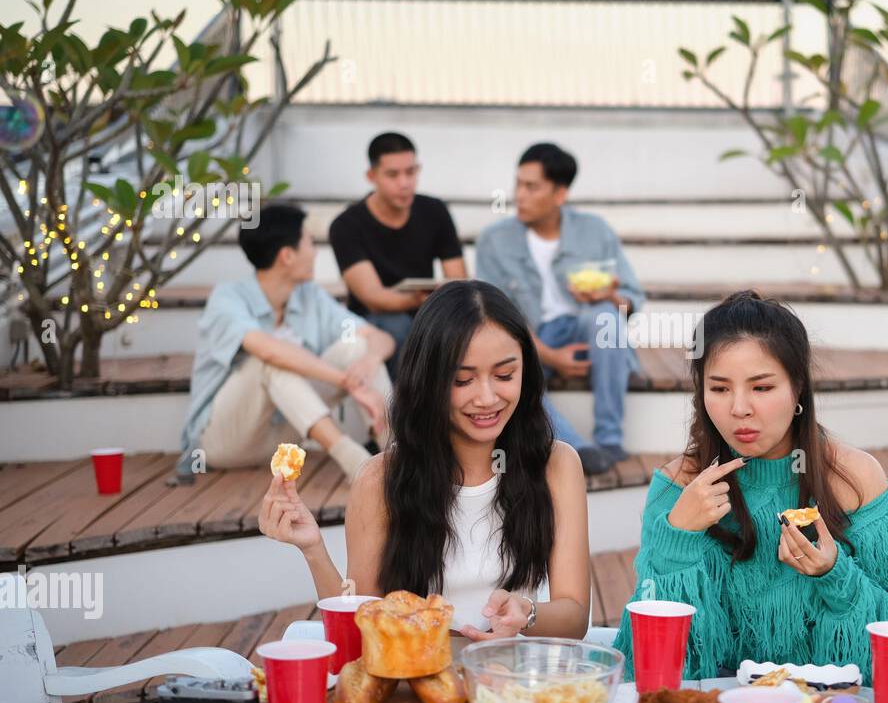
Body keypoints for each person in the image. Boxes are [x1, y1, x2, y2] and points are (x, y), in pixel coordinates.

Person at [610, 290, 888, 681]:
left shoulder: (855, 478)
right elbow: (646, 661)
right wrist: (676, 540)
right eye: (719, 388)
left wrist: (835, 575)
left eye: (761, 388)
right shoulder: (679, 486)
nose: (739, 408)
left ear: (797, 389)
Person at [258, 279, 592, 649]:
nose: (487, 397)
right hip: (415, 685)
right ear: (428, 381)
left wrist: (526, 612)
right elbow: (360, 632)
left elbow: (574, 616)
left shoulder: (557, 464)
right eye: (463, 379)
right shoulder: (380, 479)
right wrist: (313, 549)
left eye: (504, 375)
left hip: (512, 683)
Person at [174, 203, 394, 484]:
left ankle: (397, 458)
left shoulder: (309, 297)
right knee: (267, 360)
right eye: (310, 243)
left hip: (281, 441)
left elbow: (377, 337)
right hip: (224, 442)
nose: (315, 252)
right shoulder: (228, 298)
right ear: (287, 256)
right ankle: (357, 463)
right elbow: (268, 350)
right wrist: (348, 381)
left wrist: (368, 362)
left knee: (357, 348)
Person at [474, 142, 644, 477]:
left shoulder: (595, 230)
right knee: (508, 369)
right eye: (518, 184)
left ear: (560, 193)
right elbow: (495, 319)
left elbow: (630, 300)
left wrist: (609, 296)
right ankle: (577, 448)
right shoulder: (494, 240)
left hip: (587, 330)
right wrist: (550, 356)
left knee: (606, 318)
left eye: (531, 187)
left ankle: (610, 437)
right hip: (528, 337)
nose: (519, 195)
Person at [329, 132, 468, 378]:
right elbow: (373, 298)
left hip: (427, 310)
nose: (404, 183)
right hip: (372, 320)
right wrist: (420, 300)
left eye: (411, 172)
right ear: (371, 176)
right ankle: (405, 411)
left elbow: (458, 278)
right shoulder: (347, 225)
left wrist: (434, 301)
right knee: (400, 327)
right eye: (393, 175)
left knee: (465, 321)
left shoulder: (434, 210)